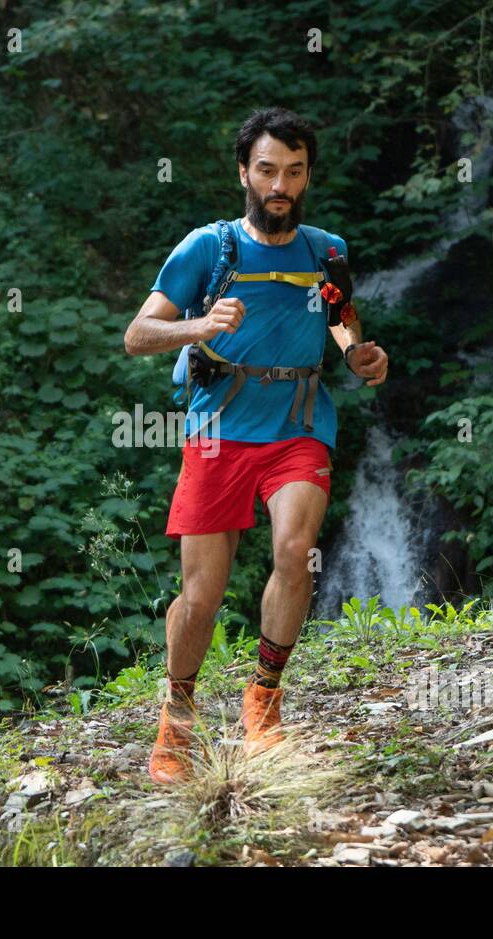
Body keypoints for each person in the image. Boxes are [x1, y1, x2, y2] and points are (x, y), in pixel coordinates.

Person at [124, 106, 389, 783]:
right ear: (244, 171)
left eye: (294, 173)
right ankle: (177, 718)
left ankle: (263, 703)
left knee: (296, 551)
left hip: (299, 424)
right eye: (268, 170)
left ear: (306, 178)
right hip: (217, 432)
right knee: (201, 595)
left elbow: (340, 316)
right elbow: (138, 334)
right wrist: (198, 325)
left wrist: (358, 354)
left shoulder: (326, 251)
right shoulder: (208, 249)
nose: (281, 185)